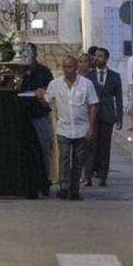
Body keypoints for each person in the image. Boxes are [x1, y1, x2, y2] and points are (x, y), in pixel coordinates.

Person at [38, 55, 98, 201]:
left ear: (76, 68)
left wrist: (91, 126)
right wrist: (40, 97)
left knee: (78, 160)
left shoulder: (86, 84)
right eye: (64, 67)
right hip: (63, 128)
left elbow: (93, 105)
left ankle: (75, 189)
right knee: (64, 158)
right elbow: (48, 102)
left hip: (81, 128)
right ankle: (64, 187)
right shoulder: (55, 84)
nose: (67, 70)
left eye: (70, 67)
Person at [20, 43, 55, 193]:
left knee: (44, 147)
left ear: (35, 56)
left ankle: (45, 181)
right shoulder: (16, 72)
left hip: (39, 115)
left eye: (28, 54)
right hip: (21, 115)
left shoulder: (44, 72)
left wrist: (42, 94)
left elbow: (50, 93)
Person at [84, 47, 123, 187]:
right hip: (92, 116)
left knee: (105, 147)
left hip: (107, 115)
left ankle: (103, 175)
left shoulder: (114, 76)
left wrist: (119, 118)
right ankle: (88, 176)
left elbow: (118, 98)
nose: (97, 58)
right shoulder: (89, 76)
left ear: (106, 59)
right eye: (96, 56)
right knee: (90, 145)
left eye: (100, 56)